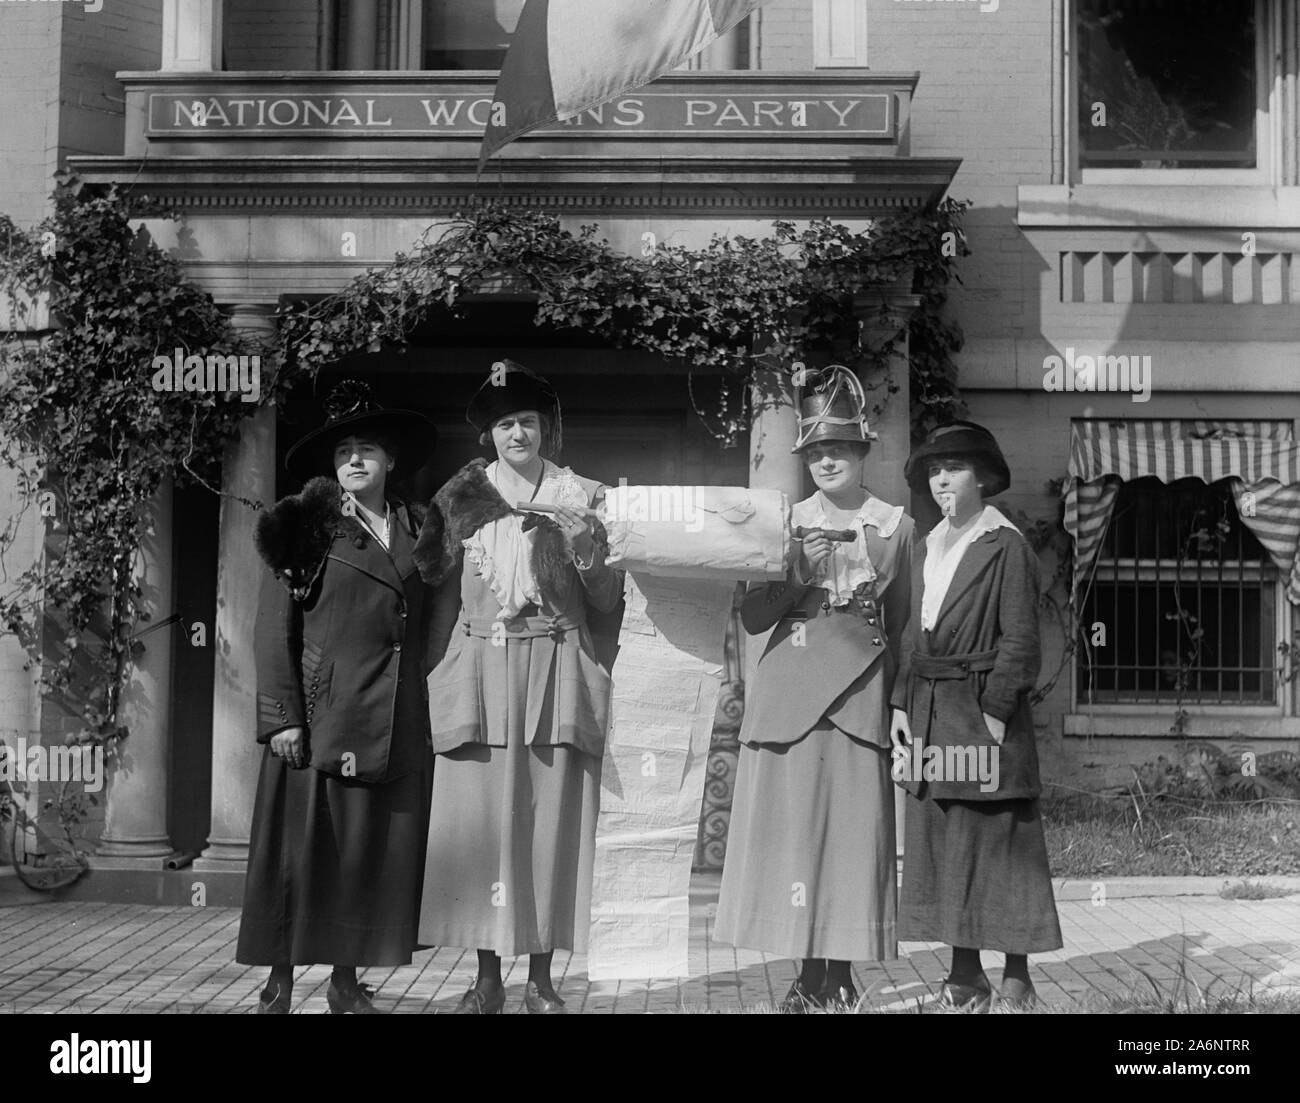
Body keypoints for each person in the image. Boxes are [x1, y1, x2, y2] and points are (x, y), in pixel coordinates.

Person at [413, 359, 624, 1015]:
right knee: (480, 827)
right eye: (505, 424)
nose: (516, 434)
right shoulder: (459, 499)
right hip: (480, 667)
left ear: (546, 428)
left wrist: (583, 543)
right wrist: (437, 675)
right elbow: (433, 594)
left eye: (527, 421)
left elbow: (610, 600)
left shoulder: (583, 495)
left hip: (556, 665)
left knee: (547, 823)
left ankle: (540, 976)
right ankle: (485, 978)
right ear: (490, 435)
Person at [714, 366, 913, 1012]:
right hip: (791, 691)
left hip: (859, 691)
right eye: (818, 451)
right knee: (800, 829)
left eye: (841, 449)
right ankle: (808, 969)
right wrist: (799, 567)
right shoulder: (783, 521)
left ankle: (842, 966)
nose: (829, 460)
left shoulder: (895, 526)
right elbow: (752, 615)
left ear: (861, 453)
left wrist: (902, 702)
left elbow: (903, 622)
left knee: (852, 829)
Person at [236, 380, 438, 1014]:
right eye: (345, 450)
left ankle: (346, 982)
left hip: (393, 719)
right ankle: (280, 982)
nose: (355, 460)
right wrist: (282, 719)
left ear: (390, 462)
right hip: (322, 718)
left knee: (363, 857)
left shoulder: (418, 526)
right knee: (298, 856)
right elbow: (273, 629)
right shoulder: (303, 522)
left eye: (368, 450)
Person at [889, 420, 1062, 1012]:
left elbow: (1021, 639)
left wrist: (994, 713)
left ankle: (1016, 977)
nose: (942, 479)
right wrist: (899, 706)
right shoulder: (928, 544)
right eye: (934, 470)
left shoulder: (1005, 543)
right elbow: (913, 633)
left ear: (983, 478)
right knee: (947, 836)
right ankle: (965, 977)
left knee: (1001, 835)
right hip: (932, 711)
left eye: (955, 468)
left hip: (984, 710)